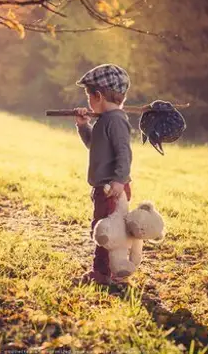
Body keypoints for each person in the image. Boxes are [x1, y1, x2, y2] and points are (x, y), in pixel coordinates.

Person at [73, 64, 133, 286]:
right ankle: (113, 271)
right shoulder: (104, 120)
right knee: (104, 228)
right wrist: (83, 126)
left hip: (112, 188)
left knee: (105, 231)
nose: (88, 102)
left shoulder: (115, 121)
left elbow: (124, 154)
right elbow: (94, 145)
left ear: (97, 96)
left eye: (89, 96)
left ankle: (102, 273)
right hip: (103, 188)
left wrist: (118, 181)